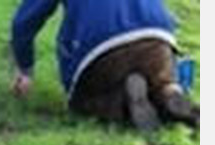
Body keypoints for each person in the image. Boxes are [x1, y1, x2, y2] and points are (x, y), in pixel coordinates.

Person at [10, 0, 199, 130]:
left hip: (101, 47)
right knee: (161, 78)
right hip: (155, 37)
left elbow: (23, 22)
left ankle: (122, 99)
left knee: (84, 103)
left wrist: (25, 69)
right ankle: (169, 93)